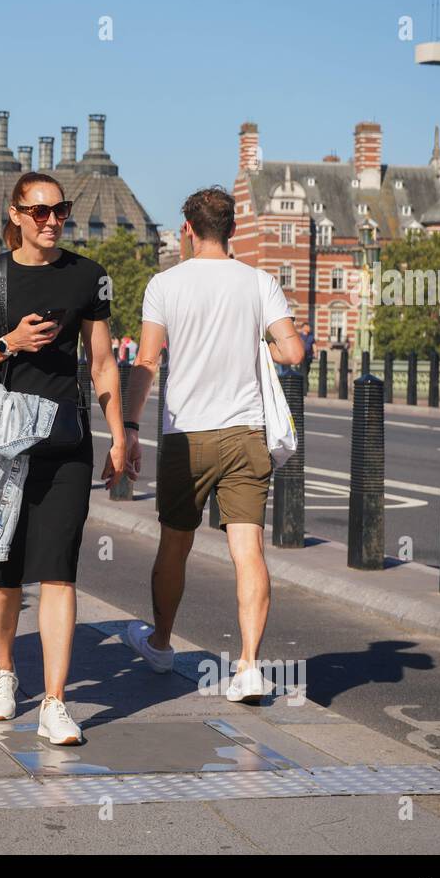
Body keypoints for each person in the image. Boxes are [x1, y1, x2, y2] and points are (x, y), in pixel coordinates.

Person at [0, 172, 129, 745]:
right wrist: (11, 343)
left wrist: (119, 435)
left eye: (60, 210)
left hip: (67, 445)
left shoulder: (89, 276)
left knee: (59, 569)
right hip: (6, 446)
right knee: (4, 573)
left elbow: (102, 362)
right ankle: (3, 669)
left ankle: (55, 701)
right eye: (39, 212)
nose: (52, 220)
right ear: (15, 215)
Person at [121, 187, 303, 702]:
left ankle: (159, 644)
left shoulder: (165, 284)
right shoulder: (259, 281)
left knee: (175, 545)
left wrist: (130, 427)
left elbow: (148, 361)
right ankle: (248, 666)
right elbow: (292, 350)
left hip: (187, 436)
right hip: (246, 433)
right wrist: (256, 338)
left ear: (186, 229)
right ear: (233, 230)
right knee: (249, 551)